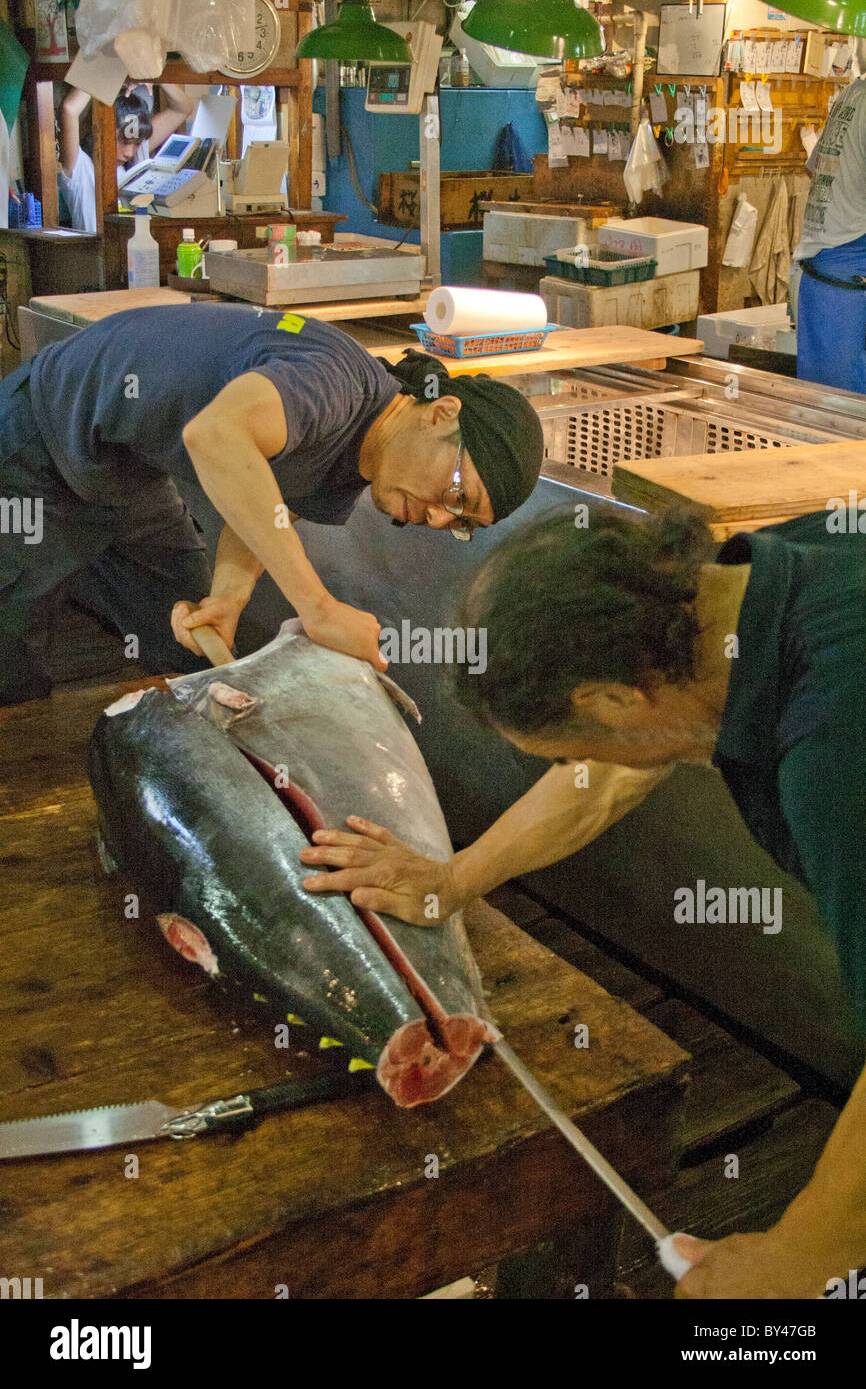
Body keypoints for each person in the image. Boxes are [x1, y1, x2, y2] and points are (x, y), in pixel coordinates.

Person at [301, 504, 866, 1300]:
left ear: (613, 700)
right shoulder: (743, 586)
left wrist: (799, 1259)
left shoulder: (835, 749)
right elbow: (618, 767)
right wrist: (454, 879)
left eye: (570, 747)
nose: (582, 764)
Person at [0, 305, 543, 704]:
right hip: (40, 438)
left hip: (131, 471)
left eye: (462, 523)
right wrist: (319, 607)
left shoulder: (359, 462)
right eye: (457, 494)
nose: (439, 517)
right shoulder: (334, 386)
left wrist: (229, 595)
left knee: (194, 649)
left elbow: (268, 505)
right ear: (442, 412)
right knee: (12, 664)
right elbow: (214, 435)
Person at [795, 74, 866, 391]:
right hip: (848, 282)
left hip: (821, 275)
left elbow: (813, 168)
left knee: (821, 415)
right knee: (844, 420)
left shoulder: (855, 91)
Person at [58, 83, 194, 232]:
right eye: (123, 141)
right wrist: (107, 68)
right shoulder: (81, 168)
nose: (129, 152)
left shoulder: (136, 162)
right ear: (102, 131)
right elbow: (69, 110)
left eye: (137, 144)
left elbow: (183, 108)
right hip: (94, 253)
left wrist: (153, 74)